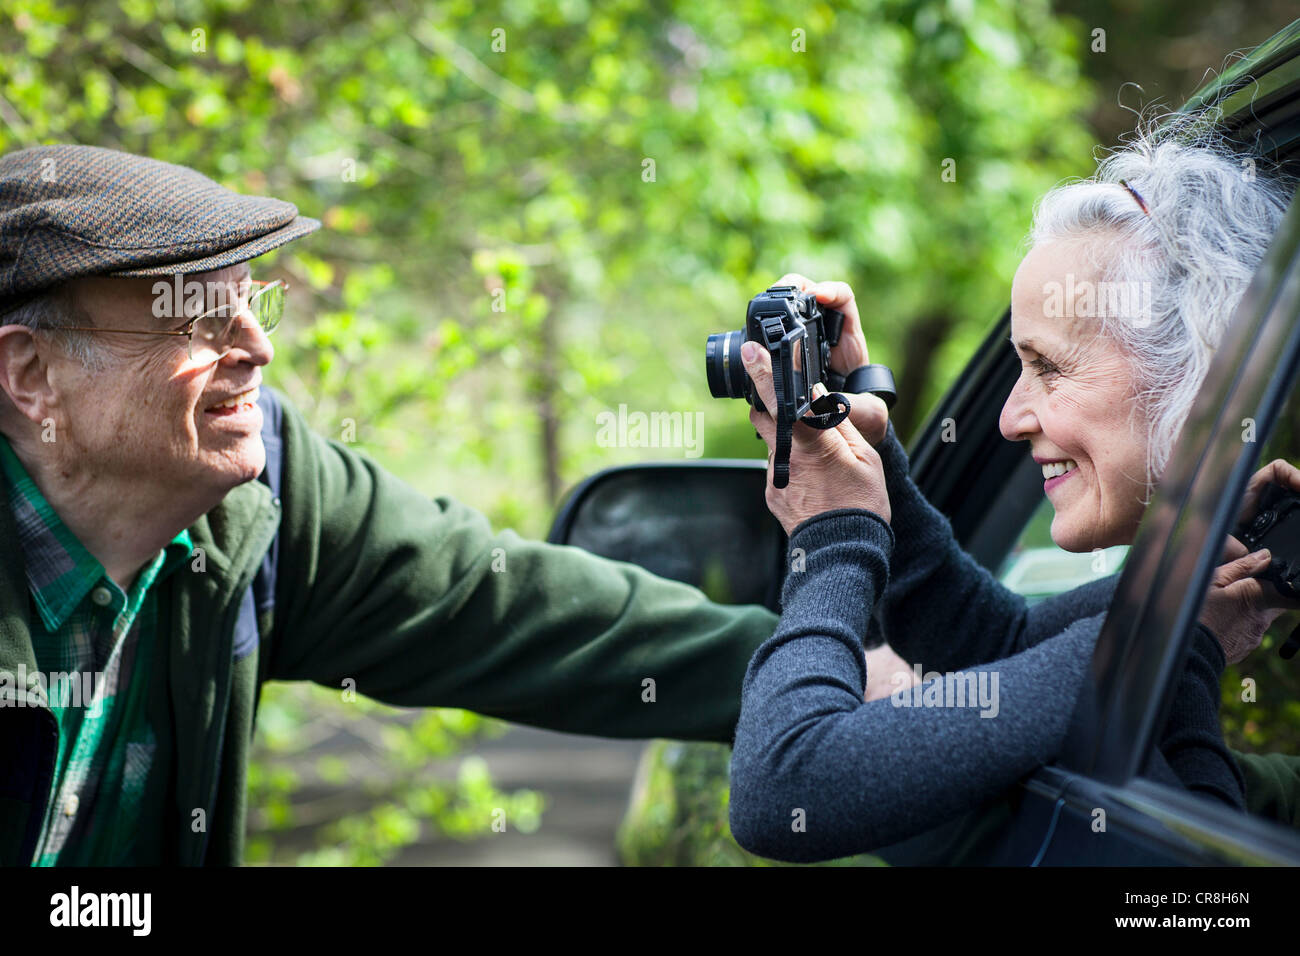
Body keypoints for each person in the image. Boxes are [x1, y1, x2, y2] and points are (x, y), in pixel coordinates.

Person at [0, 143, 786, 866]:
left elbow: (499, 604)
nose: (258, 347)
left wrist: (814, 674)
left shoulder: (257, 501)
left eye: (251, 303)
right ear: (31, 373)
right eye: (198, 318)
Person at [728, 120, 1300, 863]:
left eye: (1050, 367)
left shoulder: (1185, 619)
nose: (1007, 418)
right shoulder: (1205, 594)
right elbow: (1002, 649)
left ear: (1200, 375)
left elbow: (784, 786)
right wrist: (875, 461)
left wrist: (834, 538)